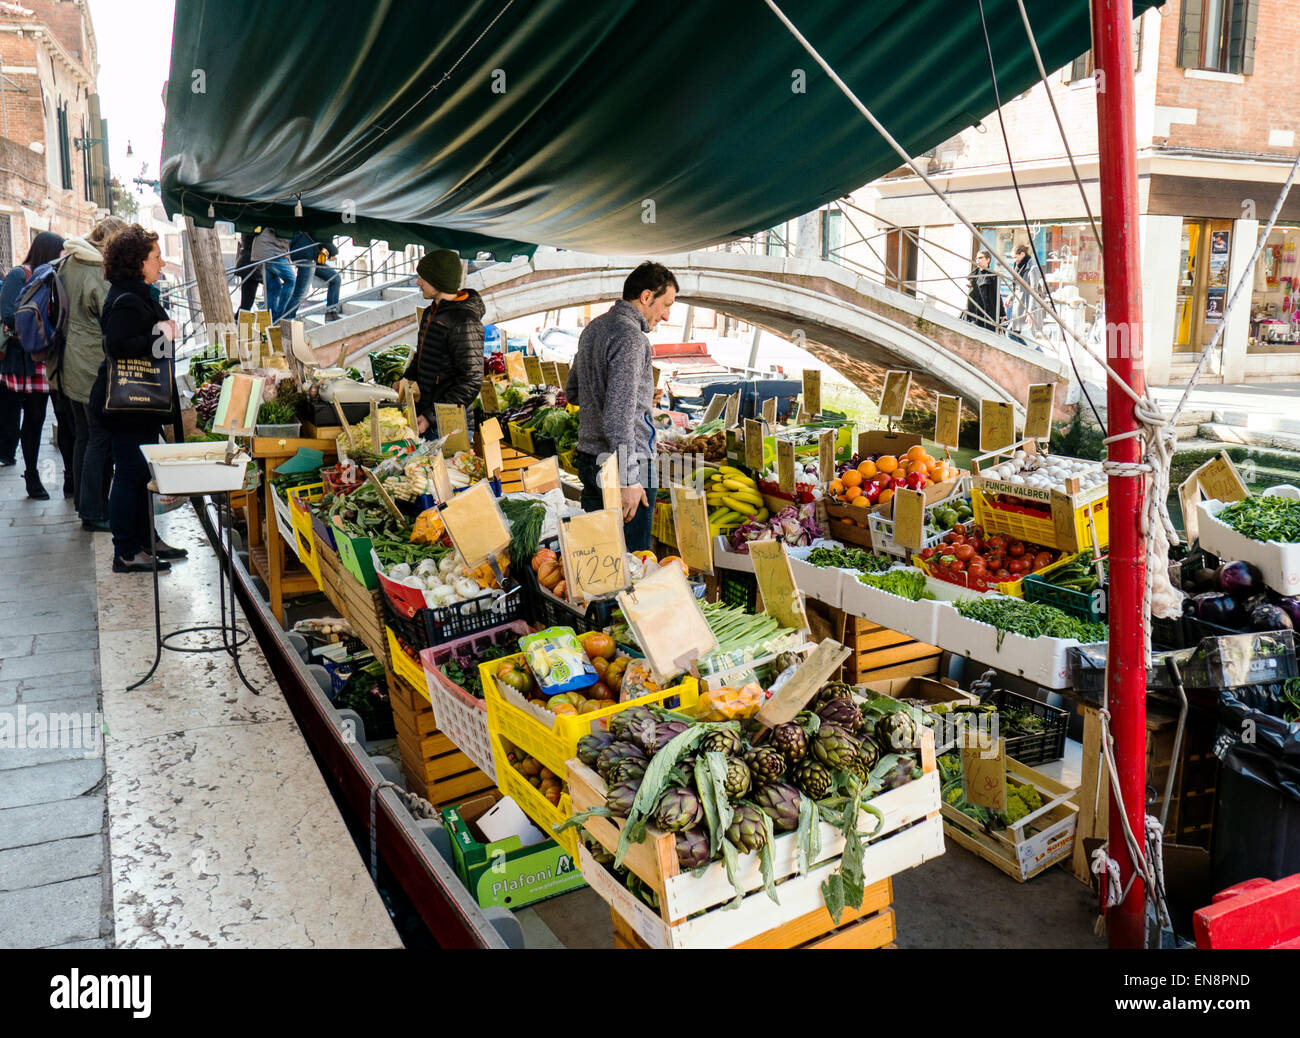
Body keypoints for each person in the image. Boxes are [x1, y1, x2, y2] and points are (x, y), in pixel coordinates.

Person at [87, 225, 187, 573]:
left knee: (141, 473)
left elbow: (157, 350)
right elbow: (117, 346)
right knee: (130, 475)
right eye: (156, 256)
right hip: (127, 407)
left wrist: (163, 335)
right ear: (137, 262)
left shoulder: (137, 294)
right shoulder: (127, 300)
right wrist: (158, 334)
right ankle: (126, 552)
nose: (161, 262)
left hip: (139, 405)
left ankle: (146, 540)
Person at [565, 261, 677, 553]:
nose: (666, 315)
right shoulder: (632, 339)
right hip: (628, 466)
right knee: (630, 568)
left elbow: (574, 393)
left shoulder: (593, 329)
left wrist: (636, 400)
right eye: (665, 304)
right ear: (645, 296)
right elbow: (617, 419)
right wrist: (629, 479)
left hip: (591, 460)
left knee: (595, 563)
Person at [51, 216, 126, 529]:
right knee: (99, 439)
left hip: (69, 363)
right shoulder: (97, 269)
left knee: (84, 434)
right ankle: (94, 512)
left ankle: (85, 503)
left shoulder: (70, 260)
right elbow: (109, 314)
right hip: (90, 364)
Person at [0, 231, 66, 499]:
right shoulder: (21, 275)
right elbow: (7, 314)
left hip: (48, 357)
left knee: (50, 416)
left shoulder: (54, 276)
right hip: (25, 358)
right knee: (34, 418)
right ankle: (31, 475)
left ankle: (66, 479)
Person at [394, 249, 485, 443]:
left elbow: (471, 381)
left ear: (439, 281)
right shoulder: (430, 313)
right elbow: (422, 358)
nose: (418, 282)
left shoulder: (465, 321)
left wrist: (430, 417)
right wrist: (404, 381)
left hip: (449, 427)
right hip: (424, 418)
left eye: (423, 278)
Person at [283, 232, 341, 321]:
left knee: (335, 279)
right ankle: (287, 318)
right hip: (307, 258)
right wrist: (333, 252)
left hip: (309, 258)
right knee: (300, 293)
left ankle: (331, 312)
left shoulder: (302, 225)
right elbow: (325, 240)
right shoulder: (315, 224)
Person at [250, 227, 295, 321]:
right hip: (272, 253)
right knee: (291, 280)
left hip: (263, 253)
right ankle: (280, 315)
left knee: (274, 287)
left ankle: (272, 319)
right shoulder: (282, 217)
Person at [963, 249, 1003, 331]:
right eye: (977, 258)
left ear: (988, 260)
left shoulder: (993, 275)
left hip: (987, 314)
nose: (978, 260)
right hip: (974, 313)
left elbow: (997, 295)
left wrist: (1002, 314)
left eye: (981, 258)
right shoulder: (973, 275)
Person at [235, 231, 262, 313]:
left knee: (246, 304)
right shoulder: (253, 232)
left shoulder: (248, 231)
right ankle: (239, 323)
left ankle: (239, 323)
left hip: (249, 265)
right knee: (246, 304)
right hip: (251, 266)